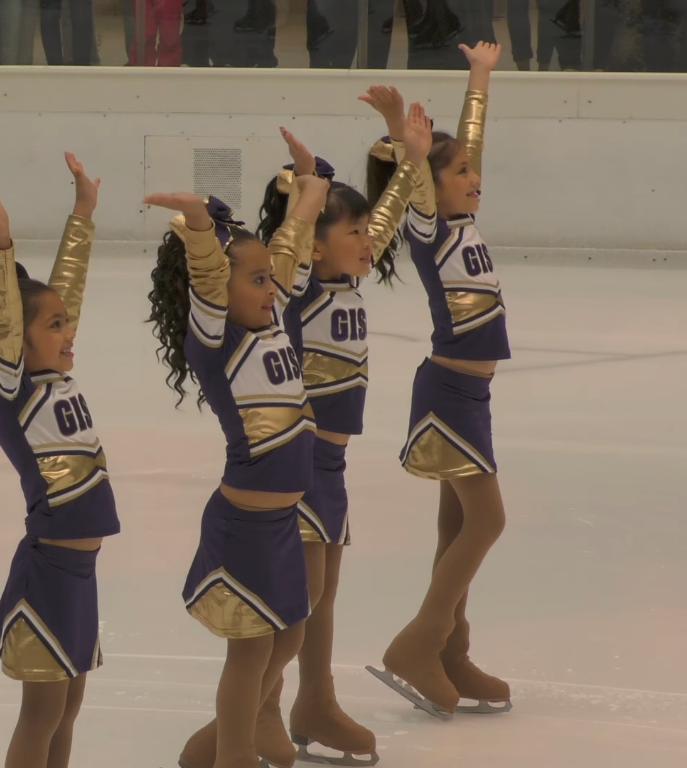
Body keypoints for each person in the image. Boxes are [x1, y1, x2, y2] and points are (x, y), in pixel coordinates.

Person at [251, 99, 432, 767]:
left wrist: (406, 154)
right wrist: (305, 192)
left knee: (320, 601)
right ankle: (255, 711)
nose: (367, 241)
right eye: (350, 232)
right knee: (297, 604)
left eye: (364, 231)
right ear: (315, 242)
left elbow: (387, 216)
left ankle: (315, 701)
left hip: (332, 468)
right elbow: (286, 253)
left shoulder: (346, 280)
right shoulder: (294, 294)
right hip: (294, 464)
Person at [145, 171, 330, 768]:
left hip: (280, 525)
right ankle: (232, 756)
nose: (272, 287)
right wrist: (200, 223)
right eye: (256, 281)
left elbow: (293, 238)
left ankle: (209, 749)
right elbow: (207, 277)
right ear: (221, 293)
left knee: (292, 635)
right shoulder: (216, 343)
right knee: (249, 657)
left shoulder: (270, 322)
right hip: (244, 528)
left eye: (270, 277)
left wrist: (313, 186)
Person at [0, 154, 117, 768]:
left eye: (68, 322)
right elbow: (7, 318)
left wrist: (84, 214)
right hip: (48, 573)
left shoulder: (52, 377)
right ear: (13, 338)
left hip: (80, 573)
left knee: (68, 707)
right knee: (42, 713)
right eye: (56, 325)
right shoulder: (10, 389)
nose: (70, 333)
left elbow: (68, 283)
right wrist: (2, 242)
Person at [362, 42, 514, 720]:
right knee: (488, 520)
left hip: (470, 395)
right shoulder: (428, 229)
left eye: (472, 170)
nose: (472, 177)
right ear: (433, 183)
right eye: (459, 173)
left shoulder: (464, 220)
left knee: (456, 527)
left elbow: (468, 141)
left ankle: (452, 650)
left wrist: (479, 77)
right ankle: (420, 641)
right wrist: (405, 139)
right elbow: (417, 178)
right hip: (448, 393)